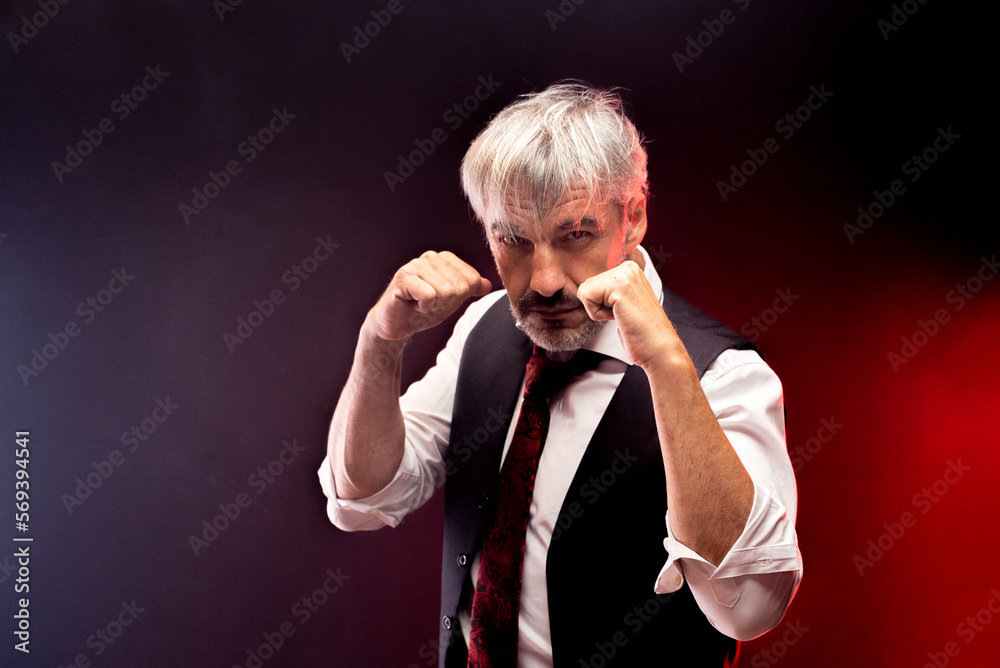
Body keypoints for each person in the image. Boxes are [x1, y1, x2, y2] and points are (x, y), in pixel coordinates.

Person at [318, 81, 801, 667]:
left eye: (576, 236)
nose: (544, 281)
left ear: (633, 218)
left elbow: (750, 609)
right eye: (514, 240)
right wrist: (380, 341)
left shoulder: (724, 375)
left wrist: (668, 368)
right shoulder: (482, 328)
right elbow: (364, 497)